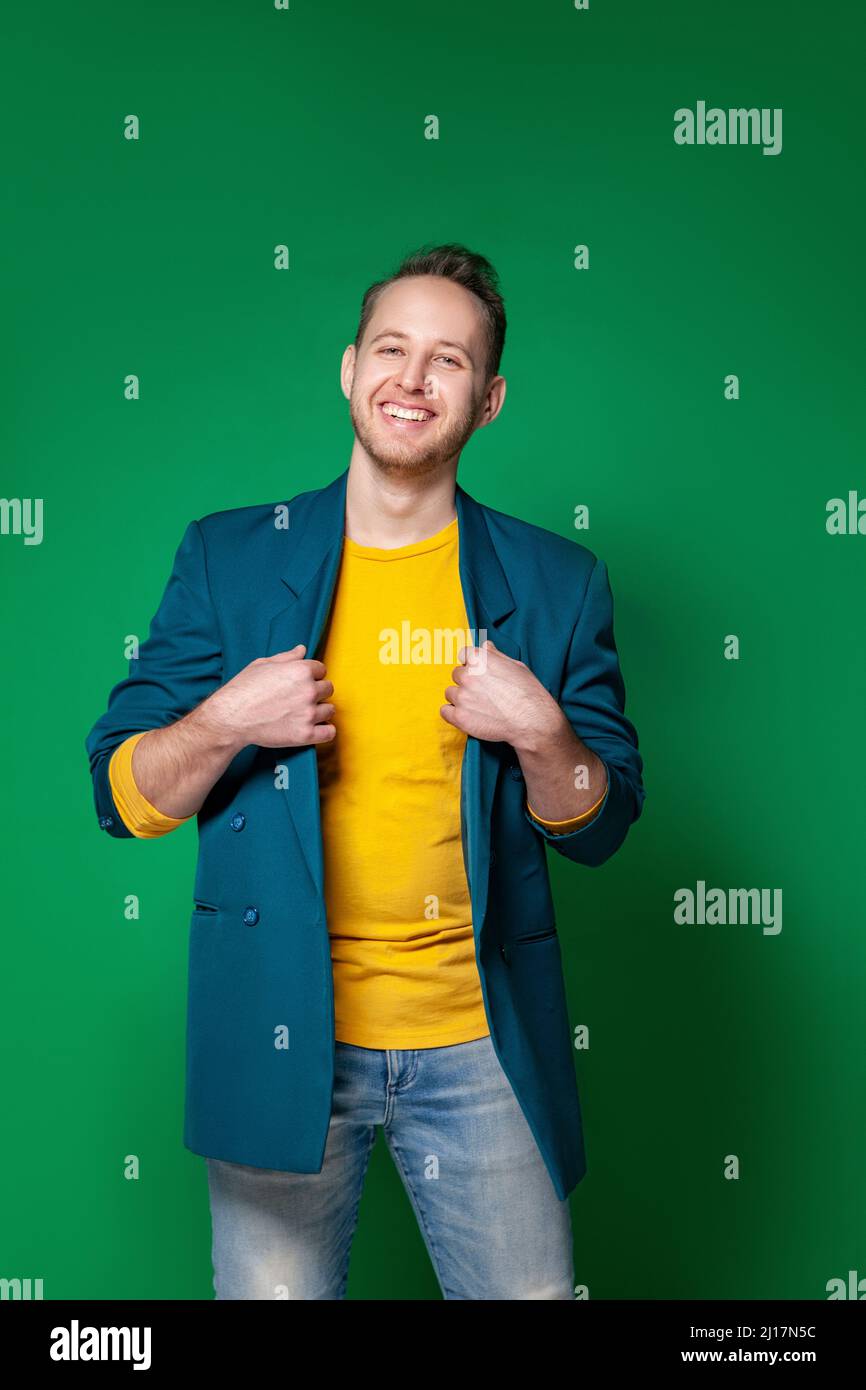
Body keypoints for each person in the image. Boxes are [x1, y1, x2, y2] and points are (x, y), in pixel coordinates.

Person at [85, 243, 646, 1299]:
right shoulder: (229, 559)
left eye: (447, 360)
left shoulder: (557, 583)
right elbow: (124, 795)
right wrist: (226, 718)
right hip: (279, 1038)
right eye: (391, 348)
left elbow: (602, 821)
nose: (411, 378)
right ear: (348, 369)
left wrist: (540, 732)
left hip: (487, 1047)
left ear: (486, 400)